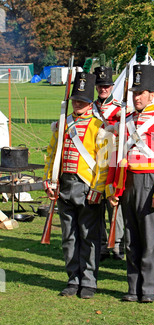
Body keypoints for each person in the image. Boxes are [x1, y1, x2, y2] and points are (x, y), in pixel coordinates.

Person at [106, 62, 154, 302]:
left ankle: (148, 288)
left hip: (150, 182)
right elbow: (114, 157)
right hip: (127, 182)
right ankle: (133, 286)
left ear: (151, 95)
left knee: (149, 239)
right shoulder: (124, 122)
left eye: (141, 93)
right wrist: (112, 187)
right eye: (134, 93)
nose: (137, 97)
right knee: (131, 238)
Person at [43, 68, 110, 298]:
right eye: (75, 100)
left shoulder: (99, 127)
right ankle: (73, 279)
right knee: (69, 237)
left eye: (82, 101)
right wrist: (49, 179)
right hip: (64, 185)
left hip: (88, 187)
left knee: (89, 237)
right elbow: (52, 153)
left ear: (89, 102)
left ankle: (89, 281)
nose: (77, 105)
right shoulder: (63, 123)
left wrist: (98, 189)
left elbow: (104, 162)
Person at [93, 65, 125, 261]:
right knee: (96, 205)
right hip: (95, 161)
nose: (103, 89)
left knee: (114, 205)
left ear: (112, 86)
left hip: (112, 160)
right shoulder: (91, 107)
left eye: (106, 85)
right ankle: (102, 243)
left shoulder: (121, 108)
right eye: (100, 86)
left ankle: (117, 244)